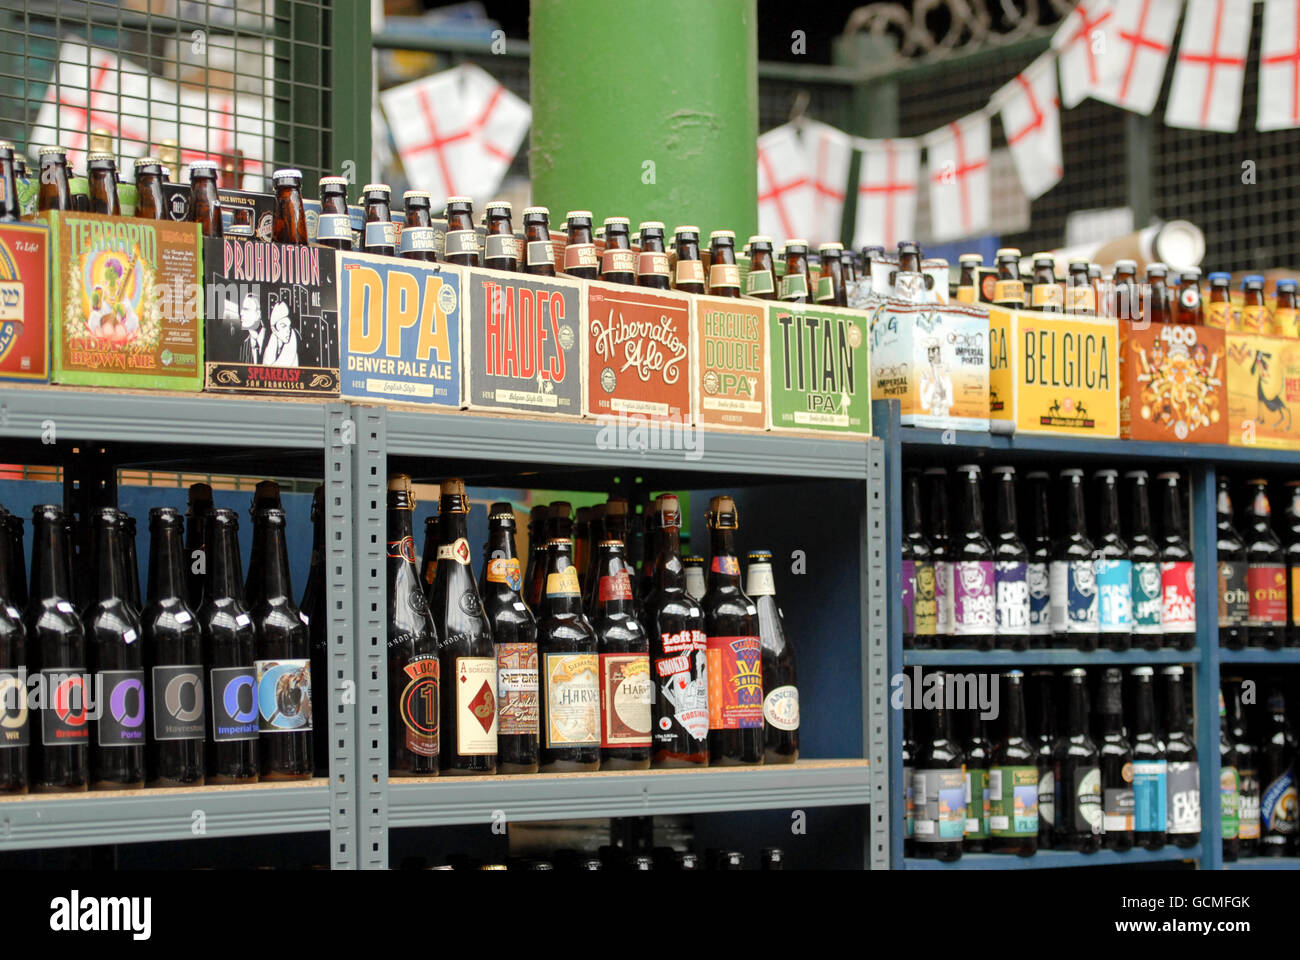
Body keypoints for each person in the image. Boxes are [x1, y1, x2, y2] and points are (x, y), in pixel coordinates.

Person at [262, 301, 299, 367]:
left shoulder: (293, 355)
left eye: (289, 326)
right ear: (273, 329)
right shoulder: (268, 348)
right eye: (283, 326)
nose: (288, 330)